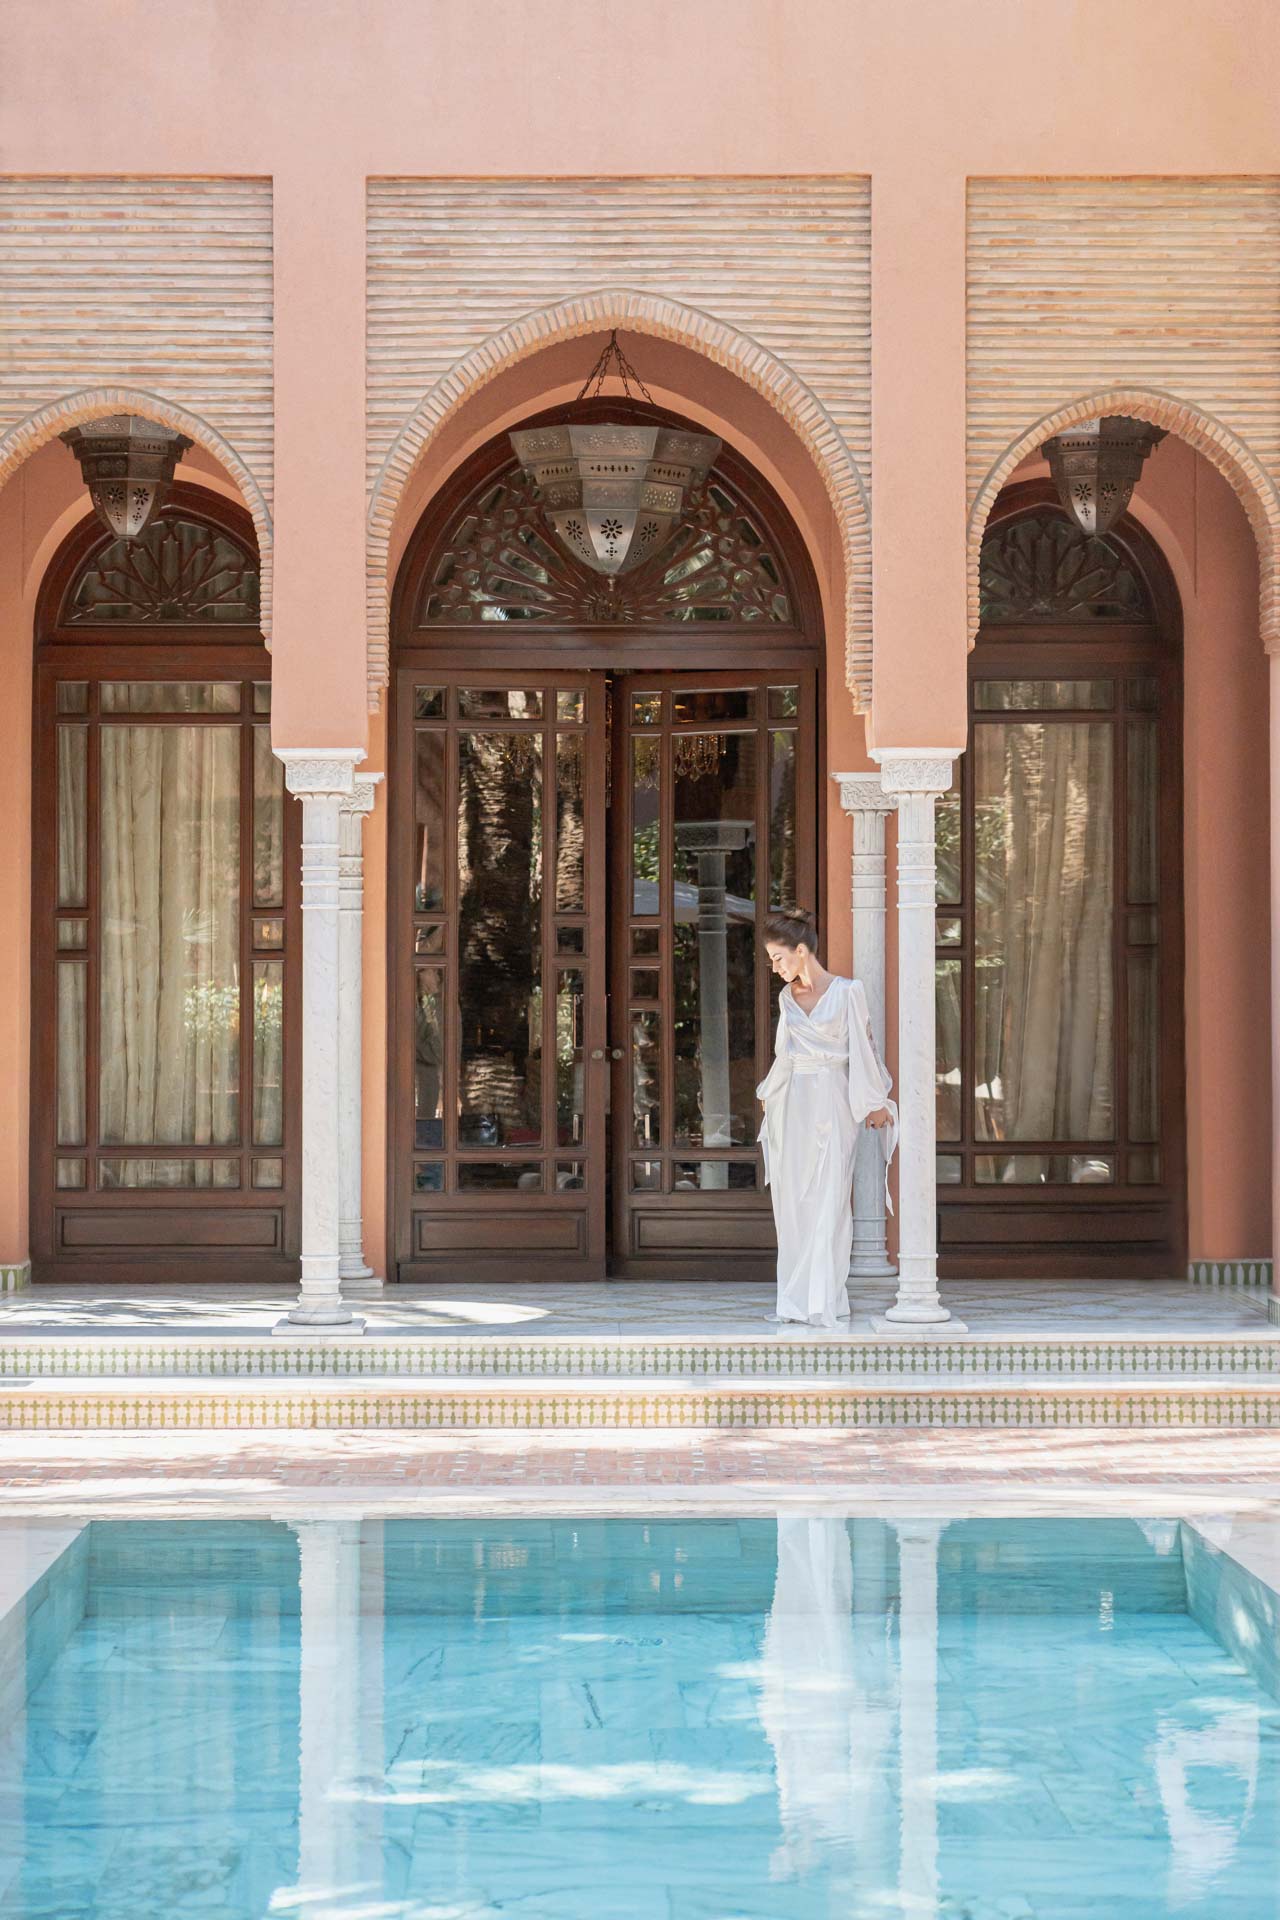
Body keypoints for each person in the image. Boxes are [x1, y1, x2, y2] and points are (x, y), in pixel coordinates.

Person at [757, 908, 898, 1328]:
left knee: (831, 1197)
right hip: (793, 1103)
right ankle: (795, 1302)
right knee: (793, 1198)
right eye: (771, 961)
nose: (775, 968)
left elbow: (865, 1049)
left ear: (801, 951)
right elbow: (786, 1054)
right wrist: (768, 1092)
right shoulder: (787, 998)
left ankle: (827, 1300)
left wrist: (875, 1100)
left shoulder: (848, 992)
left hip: (833, 1100)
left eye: (779, 958)